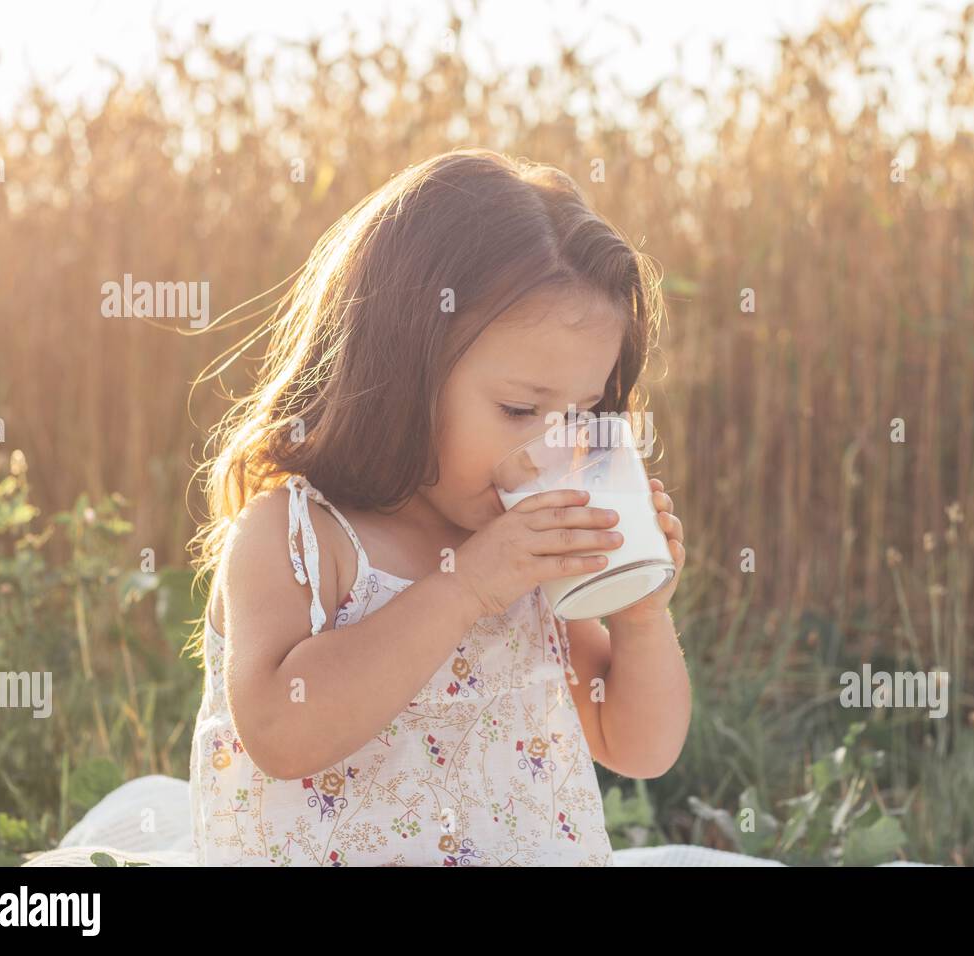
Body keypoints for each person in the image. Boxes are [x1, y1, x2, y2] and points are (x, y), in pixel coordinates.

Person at [185, 148, 690, 866]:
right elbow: (279, 732)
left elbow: (638, 746)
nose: (554, 446)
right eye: (519, 408)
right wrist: (466, 588)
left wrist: (641, 612)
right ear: (399, 370)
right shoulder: (299, 536)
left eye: (582, 414)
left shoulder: (530, 562)